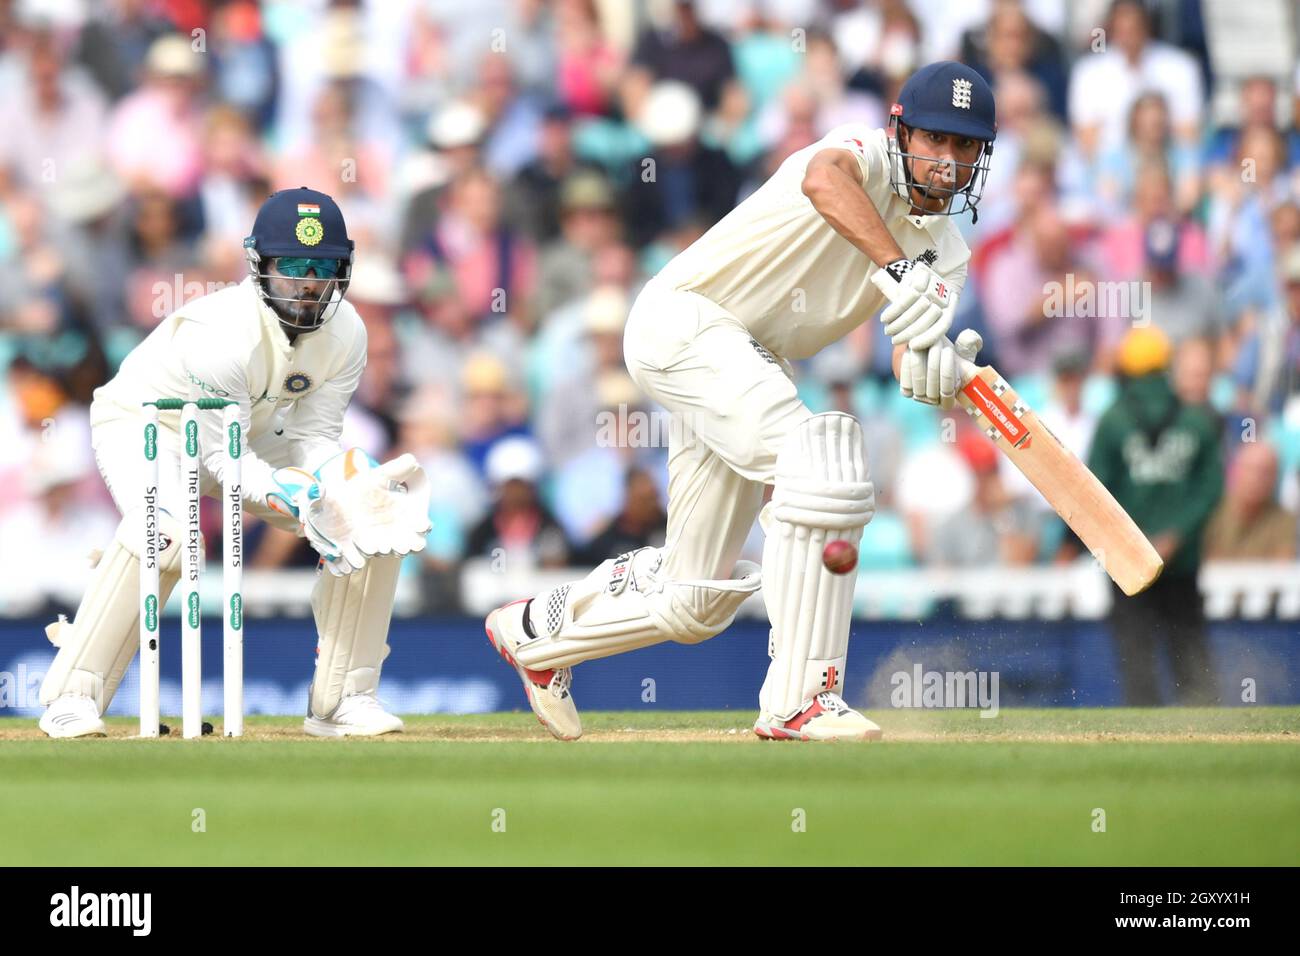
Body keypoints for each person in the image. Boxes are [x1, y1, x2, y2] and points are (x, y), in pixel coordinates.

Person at [485, 62, 995, 741]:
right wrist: (897, 268)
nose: (948, 161)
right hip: (687, 319)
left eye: (965, 146)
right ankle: (802, 699)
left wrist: (937, 368)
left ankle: (535, 633)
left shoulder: (947, 253)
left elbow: (907, 358)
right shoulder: (860, 154)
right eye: (936, 139)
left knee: (692, 601)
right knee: (820, 465)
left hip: (750, 358)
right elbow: (824, 182)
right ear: (901, 132)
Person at [37, 188, 431, 738]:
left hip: (250, 430)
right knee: (169, 538)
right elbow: (223, 459)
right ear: (258, 264)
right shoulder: (222, 337)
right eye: (292, 267)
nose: (308, 283)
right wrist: (284, 492)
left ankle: (343, 699)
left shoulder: (348, 332)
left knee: (368, 513)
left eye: (322, 268)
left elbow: (313, 435)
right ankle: (72, 696)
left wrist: (336, 481)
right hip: (149, 426)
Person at [1088, 327, 1223, 706]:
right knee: (1189, 650)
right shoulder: (1196, 419)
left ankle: (1142, 726)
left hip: (1127, 560)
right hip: (1182, 559)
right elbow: (1212, 489)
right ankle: (1207, 725)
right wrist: (1176, 535)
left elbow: (1095, 490)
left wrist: (1134, 540)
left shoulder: (1112, 421)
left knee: (1136, 657)